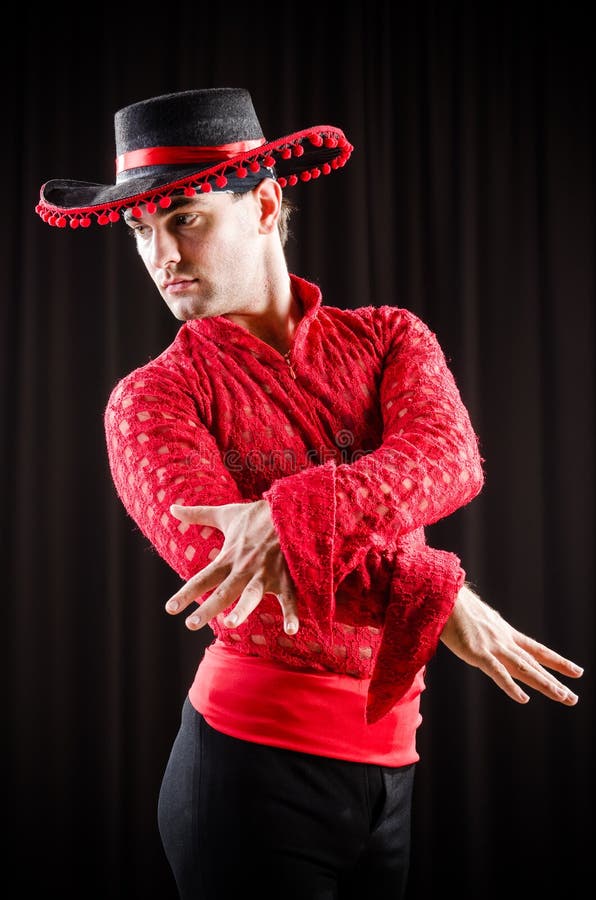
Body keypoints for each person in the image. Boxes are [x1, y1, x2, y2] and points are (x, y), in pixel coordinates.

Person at [36, 87, 583, 900]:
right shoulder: (151, 400)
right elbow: (238, 590)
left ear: (264, 204)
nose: (161, 256)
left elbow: (449, 461)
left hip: (393, 765)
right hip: (246, 773)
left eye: (184, 217)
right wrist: (440, 594)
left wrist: (285, 513)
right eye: (139, 229)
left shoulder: (390, 336)